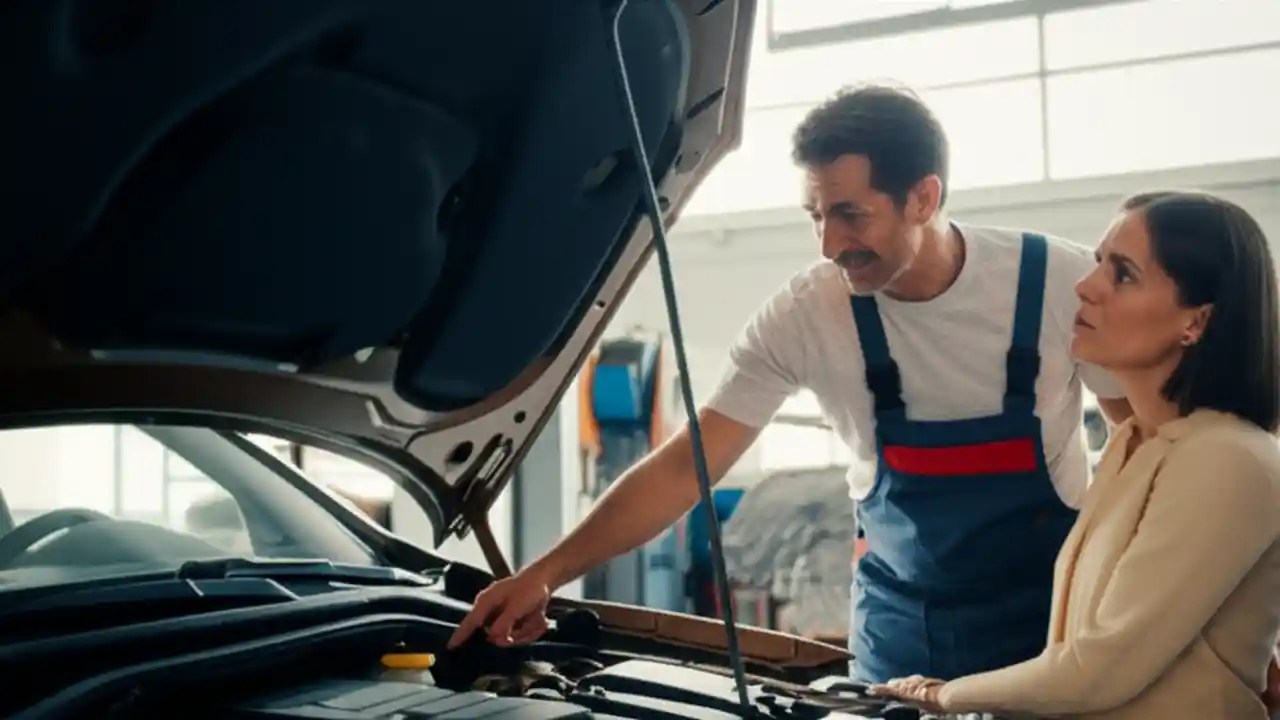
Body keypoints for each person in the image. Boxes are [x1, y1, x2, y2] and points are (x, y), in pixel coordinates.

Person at [447, 83, 1133, 682]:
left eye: (850, 213)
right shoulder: (806, 316)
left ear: (924, 197)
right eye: (815, 215)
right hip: (902, 635)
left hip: (1048, 623)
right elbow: (686, 467)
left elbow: (1140, 448)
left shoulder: (1057, 287)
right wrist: (544, 573)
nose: (829, 245)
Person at [872, 191, 1280, 719]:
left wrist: (941, 695)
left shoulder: (1227, 460)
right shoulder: (1132, 444)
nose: (1085, 287)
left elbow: (1102, 668)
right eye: (1097, 264)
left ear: (1196, 322)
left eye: (1124, 274)